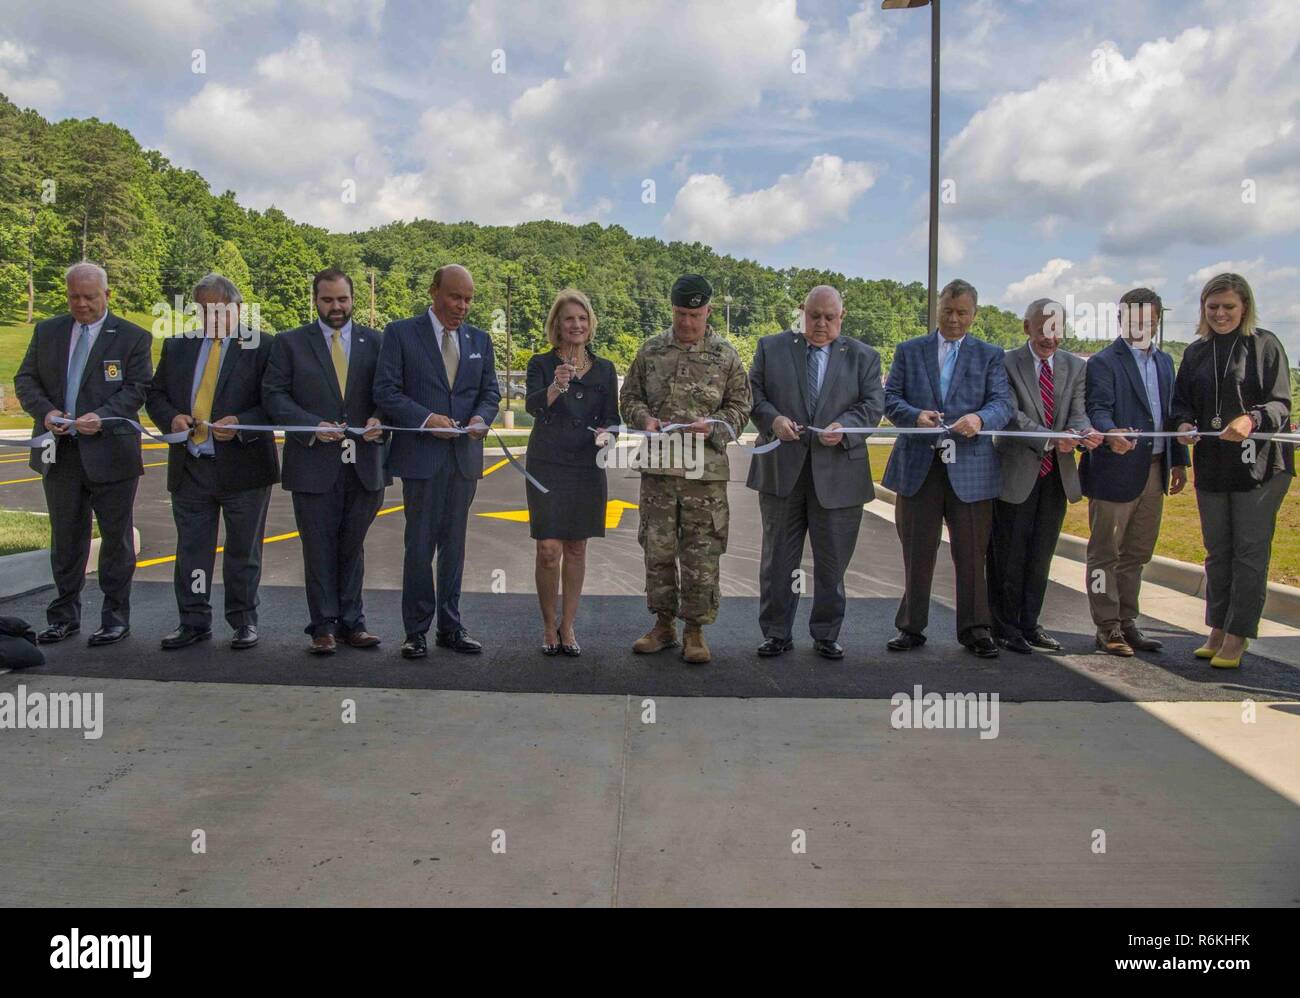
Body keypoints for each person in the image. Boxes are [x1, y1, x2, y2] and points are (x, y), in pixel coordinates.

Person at [14, 261, 153, 646]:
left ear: (107, 295)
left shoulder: (132, 337)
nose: (81, 304)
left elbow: (139, 388)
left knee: (116, 539)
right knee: (66, 539)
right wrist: (47, 413)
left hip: (112, 455)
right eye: (74, 296)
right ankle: (63, 616)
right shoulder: (48, 332)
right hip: (61, 453)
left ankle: (115, 617)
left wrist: (104, 417)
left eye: (90, 297)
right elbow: (25, 380)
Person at [619, 274, 752, 665]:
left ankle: (695, 631)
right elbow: (629, 398)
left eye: (695, 314)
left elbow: (741, 409)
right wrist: (643, 419)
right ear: (672, 309)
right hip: (659, 470)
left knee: (701, 554)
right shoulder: (651, 351)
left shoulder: (726, 356)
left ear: (708, 310)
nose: (687, 322)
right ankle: (663, 626)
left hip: (704, 474)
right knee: (658, 551)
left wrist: (714, 426)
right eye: (680, 313)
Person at [746, 285, 884, 659]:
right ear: (801, 312)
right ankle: (776, 632)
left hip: (839, 476)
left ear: (842, 317)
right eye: (814, 316)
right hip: (782, 472)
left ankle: (826, 633)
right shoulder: (771, 348)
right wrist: (772, 420)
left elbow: (873, 406)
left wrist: (844, 427)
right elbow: (752, 394)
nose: (820, 324)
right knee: (779, 560)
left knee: (832, 561)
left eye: (829, 317)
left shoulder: (864, 357)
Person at [145, 273, 279, 651]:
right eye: (202, 310)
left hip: (245, 468)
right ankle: (193, 620)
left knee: (243, 551)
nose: (209, 317)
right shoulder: (178, 346)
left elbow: (274, 402)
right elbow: (154, 396)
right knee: (192, 550)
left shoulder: (263, 346)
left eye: (217, 309)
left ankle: (243, 621)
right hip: (192, 466)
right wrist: (170, 417)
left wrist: (241, 424)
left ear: (236, 308)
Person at [373, 264, 499, 659]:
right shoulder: (400, 334)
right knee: (419, 545)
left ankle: (451, 625)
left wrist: (481, 419)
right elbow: (386, 391)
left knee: (454, 547)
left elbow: (490, 393)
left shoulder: (480, 339)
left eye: (468, 299)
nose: (462, 306)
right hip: (421, 459)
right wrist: (427, 421)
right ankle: (415, 631)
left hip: (463, 459)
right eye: (455, 297)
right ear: (433, 292)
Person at [882, 278, 1013, 658]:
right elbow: (890, 399)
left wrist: (979, 419)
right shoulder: (909, 350)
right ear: (937, 310)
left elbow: (1002, 404)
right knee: (917, 552)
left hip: (970, 469)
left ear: (974, 314)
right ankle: (910, 627)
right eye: (947, 311)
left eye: (962, 313)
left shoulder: (990, 354)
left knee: (972, 555)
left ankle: (975, 629)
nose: (954, 319)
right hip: (919, 465)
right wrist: (914, 415)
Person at [262, 268, 389, 656]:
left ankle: (354, 623)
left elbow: (391, 391)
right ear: (315, 300)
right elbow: (274, 396)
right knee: (318, 547)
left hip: (365, 464)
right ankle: (322, 627)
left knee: (352, 545)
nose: (336, 307)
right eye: (328, 300)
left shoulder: (378, 343)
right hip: (313, 463)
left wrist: (380, 418)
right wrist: (309, 426)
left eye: (343, 299)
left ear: (353, 299)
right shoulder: (289, 344)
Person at [1171, 273, 1294, 668]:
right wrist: (1185, 426)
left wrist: (1252, 421)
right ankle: (1217, 626)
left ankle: (1238, 635)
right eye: (1212, 307)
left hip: (1259, 468)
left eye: (1228, 307)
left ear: (1245, 308)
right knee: (1217, 552)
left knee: (1248, 553)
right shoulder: (1195, 353)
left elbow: (1281, 405)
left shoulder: (1265, 345)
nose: (1220, 314)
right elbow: (1181, 404)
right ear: (1203, 310)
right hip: (1212, 466)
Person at [988, 299, 1102, 654]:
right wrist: (1053, 438)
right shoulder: (1005, 362)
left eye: (1056, 330)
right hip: (1016, 474)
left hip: (1056, 477)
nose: (1050, 338)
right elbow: (1010, 415)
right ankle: (1003, 627)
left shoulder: (1074, 366)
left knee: (1041, 555)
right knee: (1009, 555)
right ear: (1027, 328)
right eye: (1042, 330)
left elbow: (1078, 414)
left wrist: (1084, 433)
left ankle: (1029, 624)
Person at [1079, 287, 1189, 656]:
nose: (1144, 327)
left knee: (1137, 554)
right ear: (1121, 320)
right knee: (1104, 554)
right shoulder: (1103, 362)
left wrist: (1178, 462)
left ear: (1158, 321)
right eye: (1136, 320)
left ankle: (1128, 622)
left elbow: (1171, 416)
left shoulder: (1165, 362)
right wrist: (1110, 433)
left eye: (1151, 321)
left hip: (1156, 470)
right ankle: (1106, 626)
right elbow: (1098, 409)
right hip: (1115, 471)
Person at [523, 290, 619, 657]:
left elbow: (613, 417)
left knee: (577, 547)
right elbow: (533, 406)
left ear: (590, 323)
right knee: (548, 548)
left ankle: (568, 627)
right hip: (547, 462)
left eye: (582, 318)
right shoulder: (541, 363)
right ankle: (548, 626)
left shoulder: (606, 368)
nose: (576, 325)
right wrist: (556, 386)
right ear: (557, 326)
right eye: (569, 319)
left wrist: (609, 434)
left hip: (586, 465)